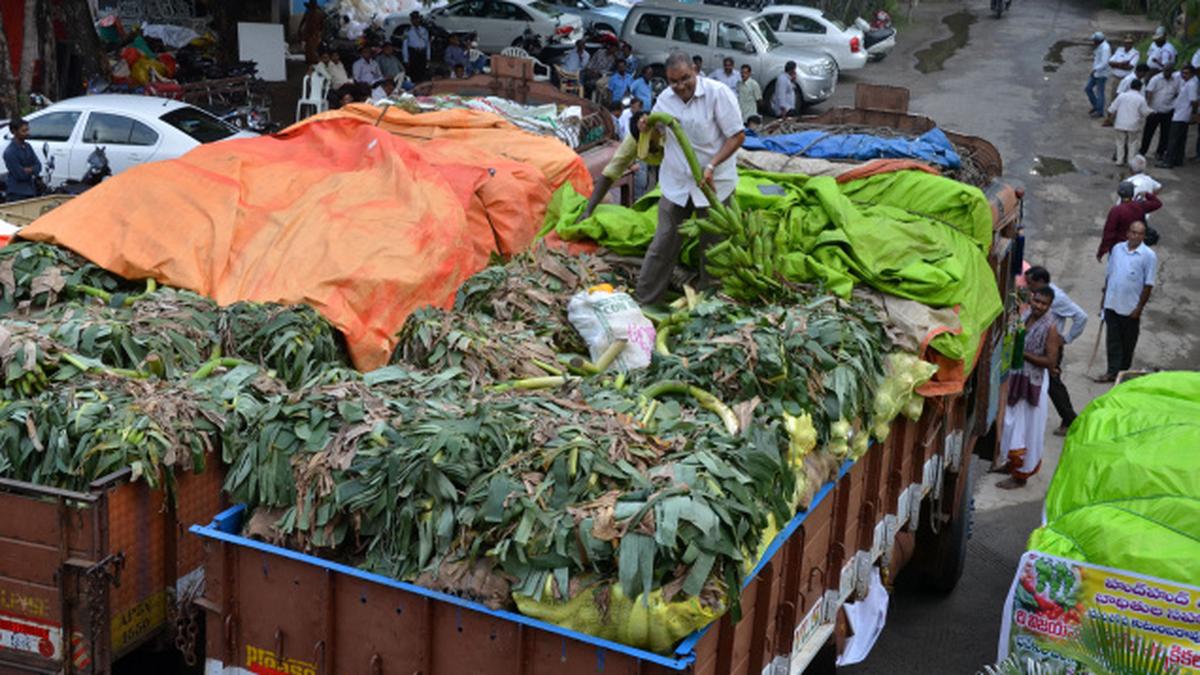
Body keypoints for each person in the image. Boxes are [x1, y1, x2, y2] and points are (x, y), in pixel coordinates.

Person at [640, 51, 745, 304]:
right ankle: (645, 300)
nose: (680, 86)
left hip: (713, 183)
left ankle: (711, 303)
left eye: (685, 78)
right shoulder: (665, 100)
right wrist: (647, 127)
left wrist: (711, 165)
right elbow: (657, 135)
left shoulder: (718, 94)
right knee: (663, 243)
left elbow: (737, 135)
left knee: (714, 247)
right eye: (673, 81)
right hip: (677, 183)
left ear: (695, 71)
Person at [995, 286, 1060, 490]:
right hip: (1017, 377)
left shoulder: (1051, 327)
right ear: (1032, 299)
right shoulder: (1025, 315)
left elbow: (1050, 361)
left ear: (1049, 305)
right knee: (1010, 422)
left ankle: (1021, 475)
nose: (1039, 306)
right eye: (1037, 301)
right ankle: (1010, 462)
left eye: (1044, 304)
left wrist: (1022, 353)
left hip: (1033, 382)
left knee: (1028, 429)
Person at [1024, 267, 1087, 435]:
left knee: (1053, 384)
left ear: (1041, 282)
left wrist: (1066, 339)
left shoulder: (1057, 297)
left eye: (1031, 284)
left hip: (1049, 348)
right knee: (1052, 384)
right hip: (1038, 345)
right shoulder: (1039, 296)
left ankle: (1070, 419)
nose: (1029, 287)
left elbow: (1081, 316)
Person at [1096, 221, 1156, 383]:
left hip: (1130, 308)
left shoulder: (1148, 255)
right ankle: (1112, 371)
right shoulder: (1117, 249)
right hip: (1112, 303)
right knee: (1113, 340)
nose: (1136, 236)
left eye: (1140, 233)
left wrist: (1139, 308)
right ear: (1127, 233)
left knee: (1128, 342)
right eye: (1133, 232)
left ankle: (1123, 372)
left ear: (1144, 236)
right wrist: (1104, 300)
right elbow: (1110, 275)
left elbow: (1148, 284)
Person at [578, 110, 663, 220]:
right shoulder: (632, 142)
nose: (651, 149)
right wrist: (589, 210)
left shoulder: (670, 131)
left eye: (652, 144)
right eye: (648, 147)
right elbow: (610, 173)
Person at [1097, 180, 1161, 260]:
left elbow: (1108, 233)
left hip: (1119, 250)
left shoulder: (1116, 211)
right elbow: (1157, 203)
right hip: (1137, 247)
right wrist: (1146, 194)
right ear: (1132, 193)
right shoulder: (1140, 205)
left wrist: (1101, 251)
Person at [1160, 63, 1198, 168]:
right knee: (1180, 139)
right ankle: (1177, 160)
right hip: (1180, 114)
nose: (1183, 75)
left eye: (1186, 73)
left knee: (1173, 139)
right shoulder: (1187, 83)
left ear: (1192, 74)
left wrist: (1193, 114)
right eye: (1183, 73)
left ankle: (1168, 161)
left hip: (1182, 116)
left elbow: (1194, 101)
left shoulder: (1191, 84)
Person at [1107, 79, 1151, 166]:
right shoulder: (1141, 99)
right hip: (1133, 125)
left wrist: (1110, 119)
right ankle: (1130, 161)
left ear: (1130, 86)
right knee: (1132, 143)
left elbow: (1111, 109)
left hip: (1120, 123)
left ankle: (1119, 160)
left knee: (1120, 142)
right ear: (1140, 88)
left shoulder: (1122, 96)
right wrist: (1152, 111)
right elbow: (1145, 112)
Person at [1140, 63, 1178, 158]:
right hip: (1154, 110)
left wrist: (1173, 104)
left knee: (1165, 134)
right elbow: (1149, 93)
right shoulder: (1156, 79)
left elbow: (1177, 93)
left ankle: (1160, 152)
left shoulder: (1175, 80)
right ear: (1163, 70)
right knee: (1148, 132)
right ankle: (1143, 151)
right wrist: (1148, 108)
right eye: (1166, 71)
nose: (1168, 73)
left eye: (1170, 71)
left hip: (1168, 110)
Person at [3, 117, 41, 199]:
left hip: (31, 190)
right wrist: (32, 169)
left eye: (27, 130)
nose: (27, 133)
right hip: (17, 193)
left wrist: (28, 169)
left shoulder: (28, 146)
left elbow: (38, 166)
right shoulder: (10, 152)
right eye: (24, 131)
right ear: (14, 132)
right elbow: (21, 175)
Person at [1085, 32, 1111, 118]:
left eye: (1094, 40)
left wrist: (1095, 69)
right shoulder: (1101, 46)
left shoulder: (1105, 48)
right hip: (1096, 72)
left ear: (1098, 40)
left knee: (1100, 93)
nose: (1093, 42)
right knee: (1088, 88)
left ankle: (1099, 111)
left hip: (1101, 73)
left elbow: (1104, 62)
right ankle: (1096, 106)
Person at [1107, 35, 1139, 102]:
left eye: (1129, 43)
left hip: (1127, 79)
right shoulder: (1119, 50)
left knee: (1125, 98)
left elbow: (1129, 67)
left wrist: (1116, 64)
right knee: (1114, 96)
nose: (1127, 44)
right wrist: (1122, 64)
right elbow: (1110, 62)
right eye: (1126, 42)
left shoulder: (1135, 53)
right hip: (1117, 78)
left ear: (1132, 43)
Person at [403, 12, 431, 83]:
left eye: (417, 18)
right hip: (413, 53)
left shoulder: (424, 30)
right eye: (414, 19)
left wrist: (428, 57)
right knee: (414, 74)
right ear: (411, 20)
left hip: (422, 53)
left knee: (423, 73)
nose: (416, 21)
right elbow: (405, 45)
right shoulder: (408, 31)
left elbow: (427, 44)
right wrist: (406, 59)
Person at [298, 0, 325, 64]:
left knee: (311, 49)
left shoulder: (315, 13)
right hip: (311, 33)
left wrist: (300, 28)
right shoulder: (310, 12)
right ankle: (310, 61)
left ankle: (313, 62)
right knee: (309, 48)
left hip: (313, 34)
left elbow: (321, 25)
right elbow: (322, 25)